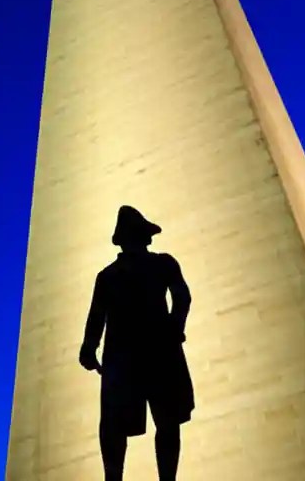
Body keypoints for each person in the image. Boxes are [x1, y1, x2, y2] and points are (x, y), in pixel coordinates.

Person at [79, 205, 194, 481]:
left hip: (138, 355)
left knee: (159, 421)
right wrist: (89, 345)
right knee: (122, 426)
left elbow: (182, 297)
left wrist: (174, 328)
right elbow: (97, 316)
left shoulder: (154, 266)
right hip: (140, 356)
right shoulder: (111, 276)